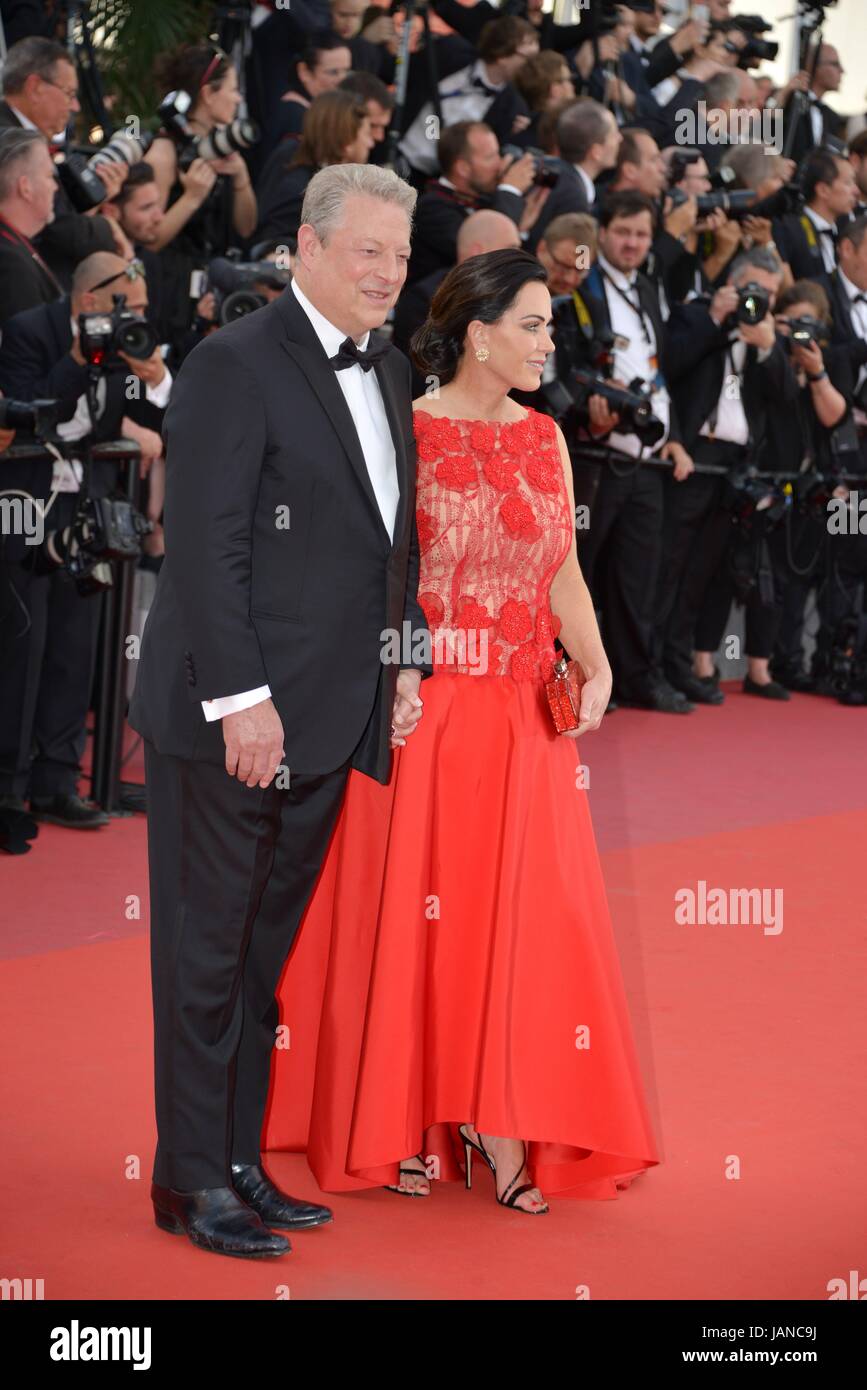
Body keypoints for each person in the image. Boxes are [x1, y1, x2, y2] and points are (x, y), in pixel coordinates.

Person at [265, 248, 660, 1208]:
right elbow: (368, 574)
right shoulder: (403, 431)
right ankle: (399, 1113)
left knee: (519, 925)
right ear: (477, 334)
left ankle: (499, 1116)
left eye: (549, 328)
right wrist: (390, 669)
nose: (546, 342)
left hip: (523, 720)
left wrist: (597, 659)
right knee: (416, 917)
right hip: (422, 711)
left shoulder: (547, 436)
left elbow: (560, 567)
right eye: (532, 325)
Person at [128, 163, 431, 1260]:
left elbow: (394, 542)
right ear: (306, 247)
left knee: (261, 957)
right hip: (234, 717)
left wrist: (402, 663)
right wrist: (241, 703)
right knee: (207, 954)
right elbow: (206, 548)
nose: (389, 275)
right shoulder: (232, 363)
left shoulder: (391, 366)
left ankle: (240, 1156)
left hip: (334, 711)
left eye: (399, 257)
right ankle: (187, 1178)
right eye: (368, 253)